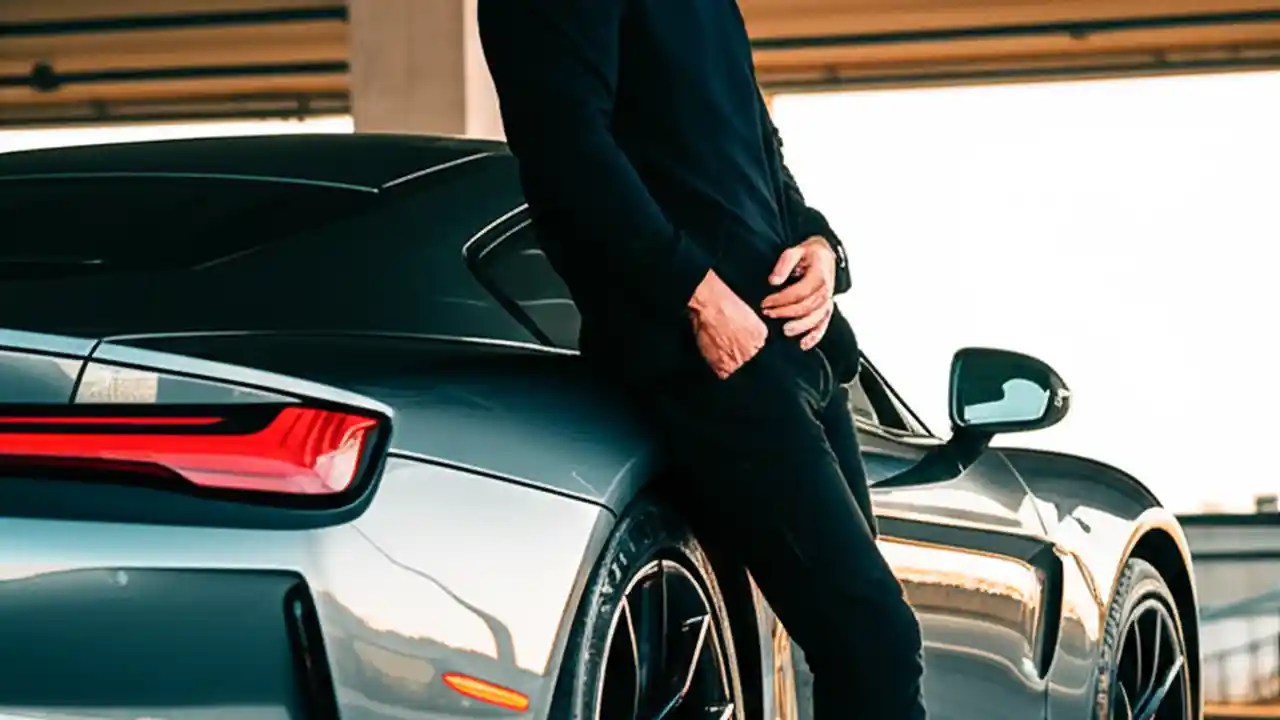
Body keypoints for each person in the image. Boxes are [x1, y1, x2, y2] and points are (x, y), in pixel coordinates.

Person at [477, 2, 927, 717]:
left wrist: (821, 248)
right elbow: (565, 150)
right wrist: (695, 293)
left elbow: (760, 153)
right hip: (711, 361)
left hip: (793, 352)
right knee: (874, 639)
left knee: (870, 640)